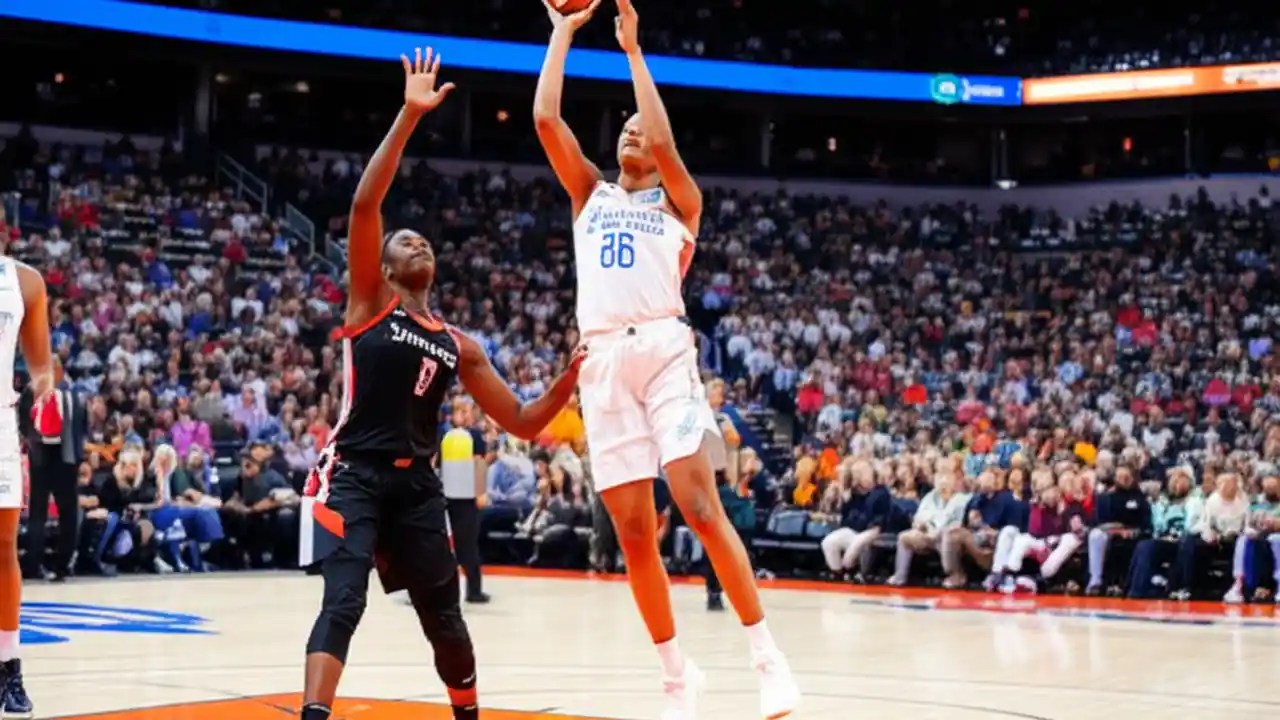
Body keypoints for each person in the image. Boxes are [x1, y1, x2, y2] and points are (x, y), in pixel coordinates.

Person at [298, 48, 582, 720]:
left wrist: (571, 374)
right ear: (387, 267)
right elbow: (368, 201)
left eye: (424, 241)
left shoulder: (459, 343)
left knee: (445, 619)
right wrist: (408, 115)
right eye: (404, 241)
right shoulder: (369, 303)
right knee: (344, 599)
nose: (416, 243)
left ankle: (468, 714)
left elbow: (521, 421)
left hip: (418, 486)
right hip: (356, 474)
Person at [534, 3, 799, 718]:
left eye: (640, 130)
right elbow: (546, 122)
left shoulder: (681, 201)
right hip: (601, 363)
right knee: (631, 532)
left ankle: (766, 659)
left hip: (662, 351)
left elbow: (665, 138)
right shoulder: (588, 192)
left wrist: (632, 50)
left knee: (698, 504)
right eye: (622, 127)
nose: (631, 132)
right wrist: (562, 32)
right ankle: (678, 677)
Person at [0, 256, 55, 717]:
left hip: (0, 421)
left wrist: (44, 394)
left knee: (3, 547)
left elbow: (40, 364)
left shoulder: (25, 281)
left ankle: (8, 669)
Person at [18, 356, 86, 582]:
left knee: (38, 514)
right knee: (68, 515)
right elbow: (81, 431)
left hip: (40, 461)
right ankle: (62, 566)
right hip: (66, 462)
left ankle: (34, 566)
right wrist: (78, 458)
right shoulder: (75, 396)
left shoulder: (32, 392)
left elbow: (24, 425)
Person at [440, 397, 489, 603]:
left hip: (467, 496)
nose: (465, 414)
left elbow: (479, 464)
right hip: (447, 494)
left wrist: (480, 492)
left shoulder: (475, 436)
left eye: (467, 410)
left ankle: (474, 589)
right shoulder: (445, 435)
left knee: (467, 544)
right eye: (460, 410)